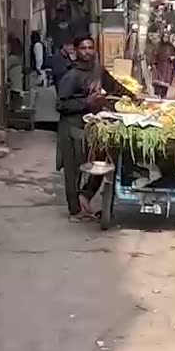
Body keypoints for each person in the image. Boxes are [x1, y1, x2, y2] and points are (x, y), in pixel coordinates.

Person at [56, 34, 130, 218]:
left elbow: (114, 87)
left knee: (102, 163)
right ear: (76, 51)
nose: (87, 52)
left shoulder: (98, 70)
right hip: (72, 128)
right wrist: (86, 102)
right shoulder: (71, 76)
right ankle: (75, 210)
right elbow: (60, 105)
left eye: (90, 48)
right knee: (73, 171)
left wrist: (134, 98)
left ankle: (86, 195)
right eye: (83, 48)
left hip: (94, 127)